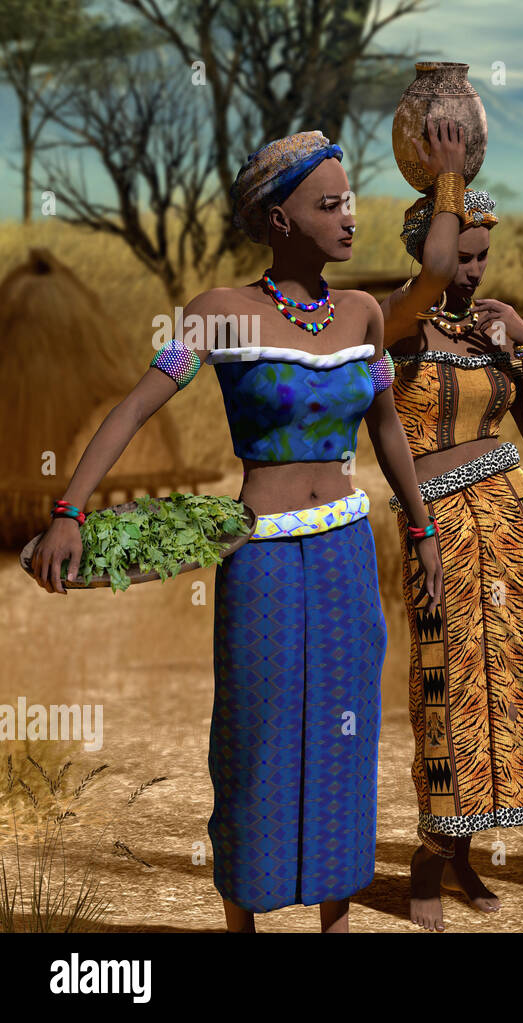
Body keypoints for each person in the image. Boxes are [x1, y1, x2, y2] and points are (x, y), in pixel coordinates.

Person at [29, 130, 442, 933]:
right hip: (261, 557)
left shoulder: (361, 314)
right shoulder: (220, 314)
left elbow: (388, 430)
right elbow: (135, 405)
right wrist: (70, 510)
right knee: (255, 735)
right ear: (279, 221)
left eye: (349, 201)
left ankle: (334, 919)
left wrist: (420, 527)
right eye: (328, 206)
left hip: (348, 554)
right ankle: (242, 921)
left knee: (342, 735)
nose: (349, 217)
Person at [380, 117, 523, 933]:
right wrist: (446, 181)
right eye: (462, 252)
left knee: (508, 694)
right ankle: (429, 855)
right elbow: (425, 281)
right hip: (439, 532)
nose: (472, 269)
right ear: (433, 250)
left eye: (484, 255)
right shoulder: (392, 322)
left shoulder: (491, 324)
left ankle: (465, 849)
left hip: (513, 523)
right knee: (445, 692)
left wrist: (521, 354)